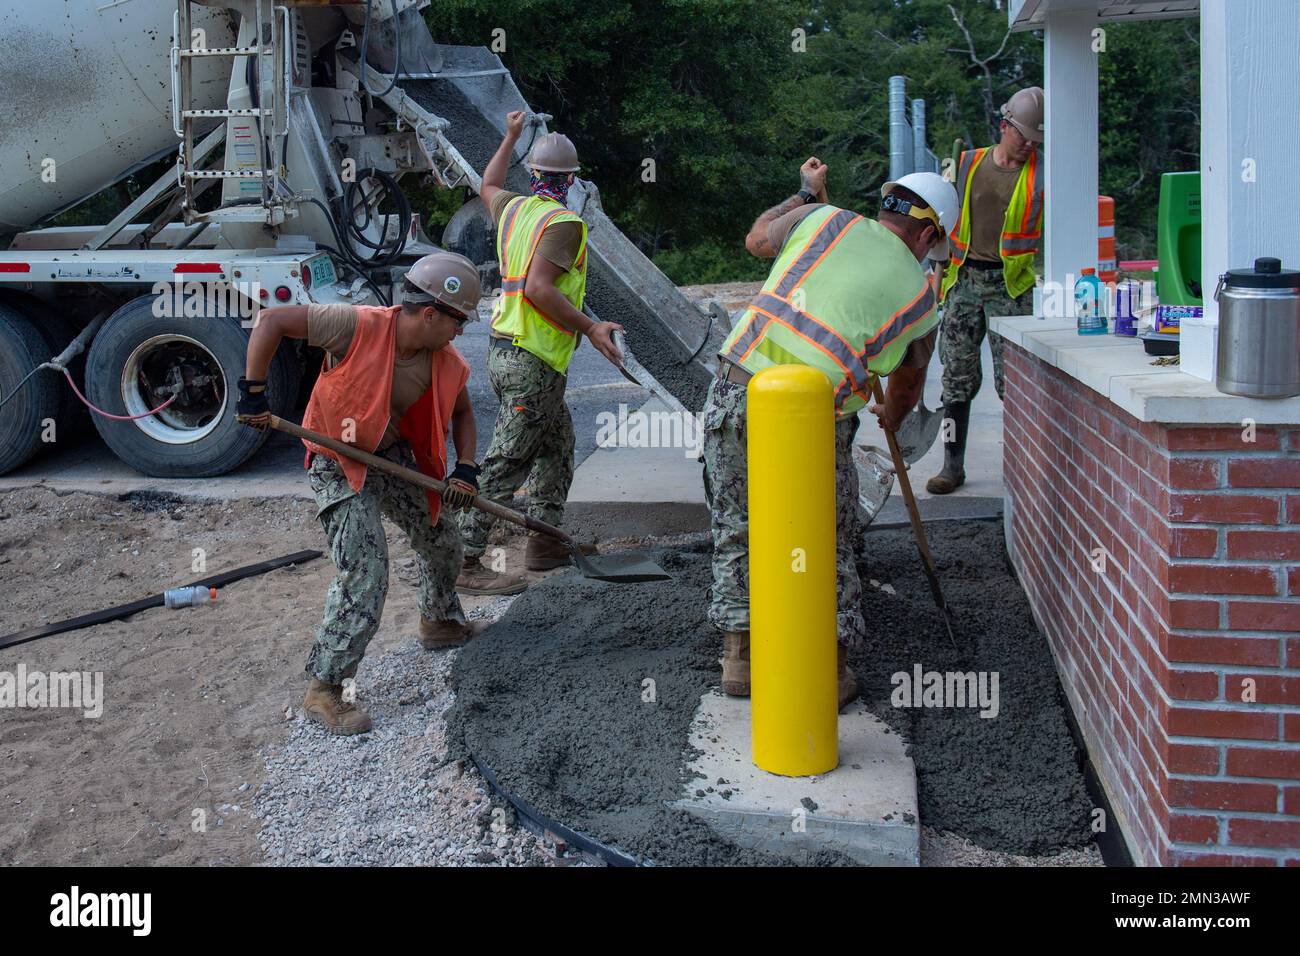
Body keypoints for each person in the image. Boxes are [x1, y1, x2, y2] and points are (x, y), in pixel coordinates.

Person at [706, 158, 956, 711]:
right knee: (824, 539)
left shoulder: (820, 219)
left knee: (737, 524)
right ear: (928, 234)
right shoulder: (920, 296)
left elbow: (755, 240)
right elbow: (906, 389)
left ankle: (740, 658)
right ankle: (829, 668)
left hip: (737, 388)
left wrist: (803, 193)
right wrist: (889, 411)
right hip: (811, 419)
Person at [236, 251, 485, 736]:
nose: (461, 332)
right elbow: (270, 321)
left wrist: (468, 471)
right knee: (367, 570)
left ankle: (439, 621)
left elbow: (463, 414)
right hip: (339, 459)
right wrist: (252, 392)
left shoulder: (446, 361)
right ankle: (326, 687)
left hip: (391, 457)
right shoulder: (355, 325)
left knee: (443, 541)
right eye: (458, 321)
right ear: (431, 313)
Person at [455, 111, 624, 596]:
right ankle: (465, 558)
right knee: (507, 459)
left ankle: (545, 544)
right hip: (532, 358)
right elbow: (538, 289)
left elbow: (486, 182)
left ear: (532, 176)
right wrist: (591, 327)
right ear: (571, 179)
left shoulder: (513, 208)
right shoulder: (565, 223)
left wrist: (509, 137)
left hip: (507, 350)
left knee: (557, 445)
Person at [928, 86, 1045, 495]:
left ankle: (1021, 467)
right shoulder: (967, 162)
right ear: (1004, 125)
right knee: (955, 379)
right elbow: (942, 222)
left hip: (1010, 288)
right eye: (1025, 135)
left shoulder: (1041, 175)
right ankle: (951, 466)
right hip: (964, 281)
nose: (1030, 144)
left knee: (1015, 383)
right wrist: (937, 275)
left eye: (1037, 139)